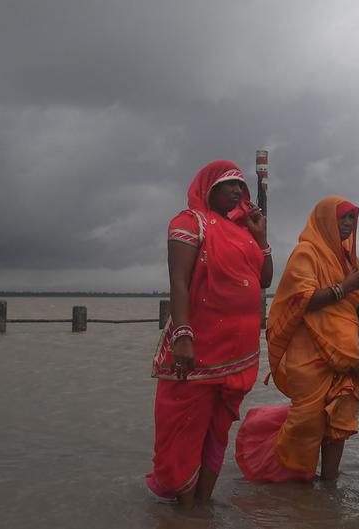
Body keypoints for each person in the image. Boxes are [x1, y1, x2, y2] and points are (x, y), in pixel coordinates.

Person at [147, 160, 272, 506]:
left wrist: (261, 238)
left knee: (217, 431)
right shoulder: (190, 222)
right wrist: (182, 335)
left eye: (240, 186)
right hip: (198, 350)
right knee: (185, 428)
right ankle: (185, 512)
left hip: (237, 355)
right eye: (228, 184)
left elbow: (264, 281)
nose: (236, 191)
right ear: (208, 188)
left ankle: (202, 509)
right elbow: (180, 281)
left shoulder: (244, 231)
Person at [235, 196, 359, 482]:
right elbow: (301, 299)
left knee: (340, 416)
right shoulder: (306, 252)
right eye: (342, 217)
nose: (348, 224)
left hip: (345, 350)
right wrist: (345, 287)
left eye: (352, 218)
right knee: (307, 421)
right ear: (325, 219)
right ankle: (292, 483)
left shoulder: (349, 258)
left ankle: (329, 489)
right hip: (309, 352)